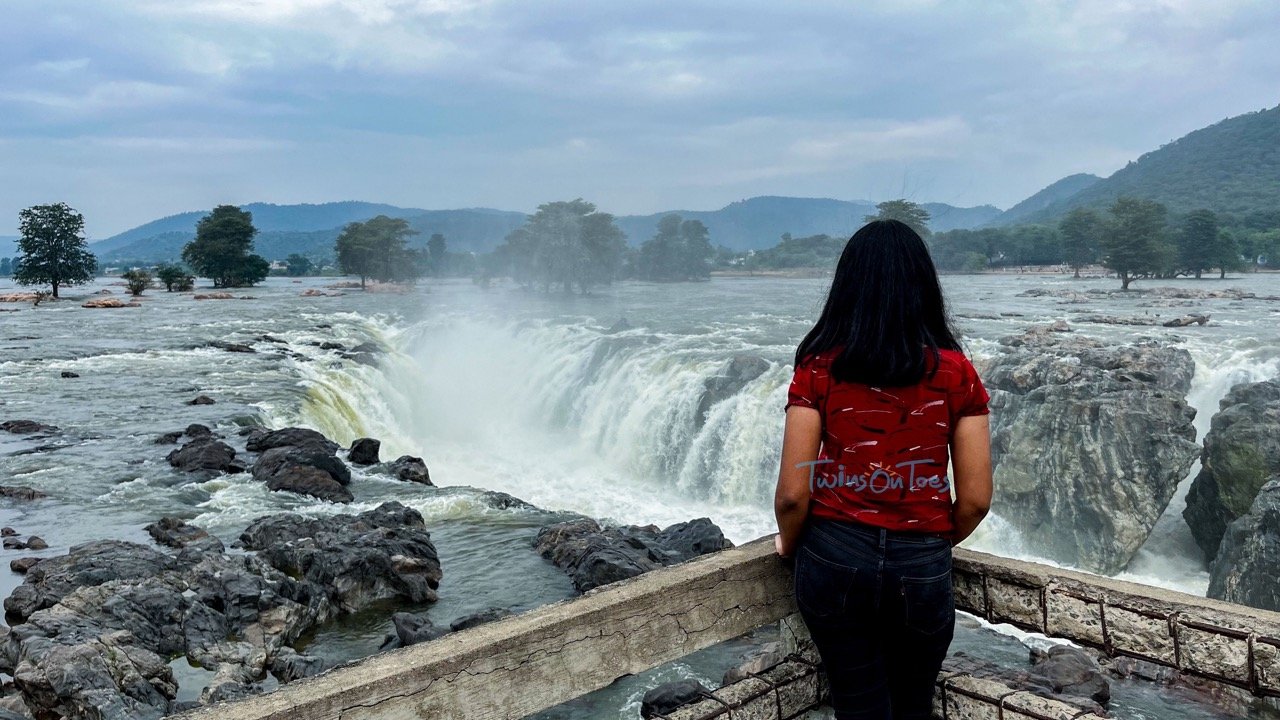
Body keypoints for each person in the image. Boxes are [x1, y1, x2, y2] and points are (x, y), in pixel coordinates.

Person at [773, 219, 993, 720]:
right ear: (924, 286)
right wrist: (925, 542)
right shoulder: (957, 373)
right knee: (913, 706)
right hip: (921, 565)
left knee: (858, 704)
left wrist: (788, 543)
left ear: (847, 286)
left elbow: (792, 494)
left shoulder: (818, 367)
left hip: (833, 556)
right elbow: (977, 499)